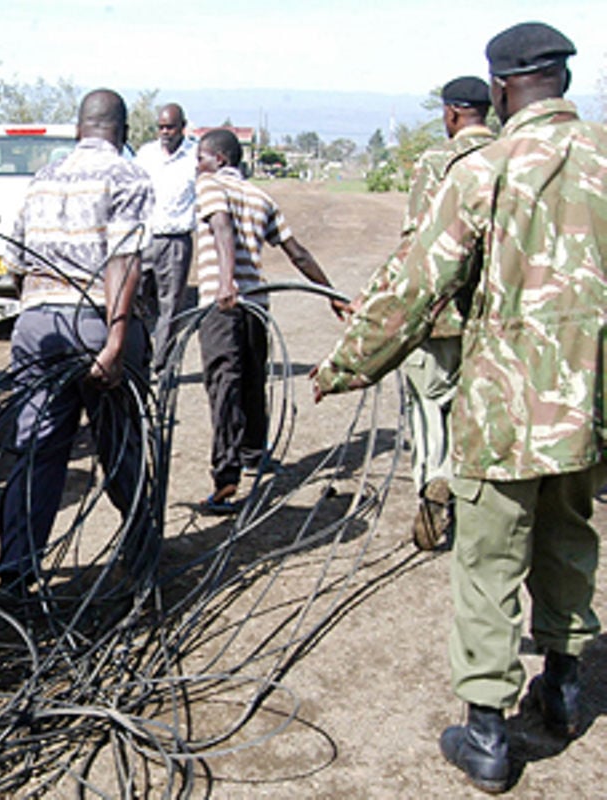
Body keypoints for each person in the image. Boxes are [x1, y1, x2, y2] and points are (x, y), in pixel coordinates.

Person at [311, 22, 605, 794]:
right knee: (570, 539)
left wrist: (344, 366)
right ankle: (566, 690)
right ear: (563, 81)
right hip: (588, 409)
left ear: (504, 89)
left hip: (504, 413)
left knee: (487, 565)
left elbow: (413, 289)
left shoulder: (486, 169)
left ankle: (485, 735)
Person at [0, 89, 155, 604]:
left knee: (37, 451)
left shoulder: (44, 177)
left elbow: (13, 264)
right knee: (120, 446)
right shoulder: (127, 175)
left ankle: (16, 575)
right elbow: (123, 259)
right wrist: (114, 340)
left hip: (36, 326)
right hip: (92, 322)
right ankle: (144, 558)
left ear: (78, 128)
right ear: (123, 131)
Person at [195, 129, 345, 512]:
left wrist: (226, 282)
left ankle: (226, 479)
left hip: (223, 303)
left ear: (220, 160)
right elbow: (297, 252)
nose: (197, 166)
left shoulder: (210, 186)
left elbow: (221, 225)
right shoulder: (262, 197)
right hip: (257, 305)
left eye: (201, 158)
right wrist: (329, 293)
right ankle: (252, 454)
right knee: (251, 380)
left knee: (224, 385)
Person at [396, 76, 496, 550]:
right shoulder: (512, 155)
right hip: (494, 315)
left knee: (427, 404)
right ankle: (468, 486)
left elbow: (417, 244)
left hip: (441, 313)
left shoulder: (438, 162)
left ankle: (435, 481)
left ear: (452, 114)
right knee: (473, 406)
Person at [134, 103, 197, 369]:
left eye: (170, 127)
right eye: (161, 127)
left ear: (182, 127)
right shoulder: (145, 155)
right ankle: (138, 358)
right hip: (143, 239)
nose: (165, 132)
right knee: (133, 299)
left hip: (175, 241)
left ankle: (162, 365)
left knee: (170, 306)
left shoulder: (195, 156)